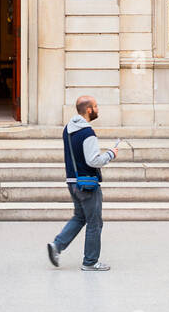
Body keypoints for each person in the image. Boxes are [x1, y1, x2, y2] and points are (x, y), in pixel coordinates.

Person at [47, 95, 120, 272]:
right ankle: (90, 262)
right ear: (88, 110)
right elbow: (93, 160)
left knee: (80, 217)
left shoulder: (68, 129)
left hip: (72, 181)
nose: (98, 110)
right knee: (95, 223)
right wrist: (111, 153)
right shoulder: (87, 132)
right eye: (96, 106)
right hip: (87, 184)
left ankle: (57, 246)